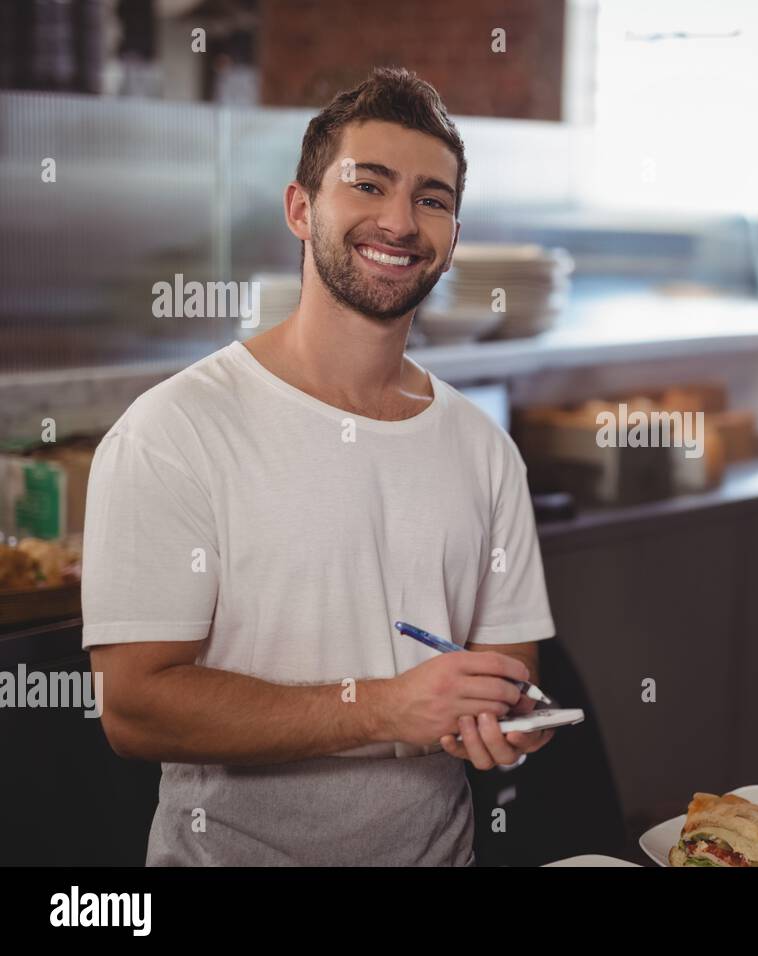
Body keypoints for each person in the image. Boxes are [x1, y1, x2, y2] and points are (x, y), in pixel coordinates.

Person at [81, 66, 556, 866]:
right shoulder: (174, 431)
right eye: (367, 185)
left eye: (432, 199)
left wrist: (502, 715)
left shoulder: (483, 448)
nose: (400, 221)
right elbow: (136, 710)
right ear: (302, 209)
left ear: (452, 238)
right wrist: (385, 708)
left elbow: (512, 668)